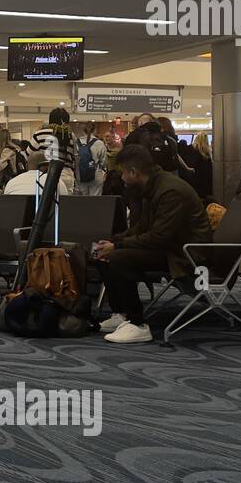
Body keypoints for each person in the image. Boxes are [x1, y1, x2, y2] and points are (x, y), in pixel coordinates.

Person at [92, 144, 213, 345]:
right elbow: (142, 228)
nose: (121, 178)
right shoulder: (153, 186)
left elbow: (159, 237)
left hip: (186, 255)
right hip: (170, 247)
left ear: (134, 172)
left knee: (119, 259)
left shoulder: (170, 191)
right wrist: (114, 241)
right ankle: (121, 314)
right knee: (103, 256)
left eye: (123, 173)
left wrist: (117, 247)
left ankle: (138, 323)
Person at [30, 108, 76, 191]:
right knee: (65, 203)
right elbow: (75, 157)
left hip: (46, 175)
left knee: (46, 202)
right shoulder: (71, 136)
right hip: (66, 175)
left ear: (50, 120)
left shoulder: (39, 134)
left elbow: (29, 155)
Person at [3, 151, 71, 197]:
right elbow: (64, 204)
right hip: (46, 217)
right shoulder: (56, 182)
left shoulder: (12, 182)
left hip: (18, 217)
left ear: (27, 166)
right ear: (47, 166)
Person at [72, 121, 107, 196]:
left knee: (83, 202)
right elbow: (103, 162)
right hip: (96, 175)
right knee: (95, 201)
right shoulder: (99, 143)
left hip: (80, 176)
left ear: (83, 130)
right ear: (95, 130)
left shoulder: (76, 142)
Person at [180, 132, 213, 201]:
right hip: (202, 187)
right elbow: (208, 175)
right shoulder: (206, 155)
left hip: (189, 185)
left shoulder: (188, 150)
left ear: (196, 139)